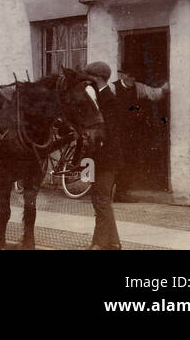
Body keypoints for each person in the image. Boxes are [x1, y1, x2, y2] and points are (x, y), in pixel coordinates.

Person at [110, 65, 169, 202]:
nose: (132, 78)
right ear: (122, 75)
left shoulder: (138, 87)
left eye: (134, 76)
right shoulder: (112, 88)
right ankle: (108, 191)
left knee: (129, 160)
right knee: (115, 162)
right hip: (116, 131)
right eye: (129, 75)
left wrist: (165, 88)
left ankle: (122, 193)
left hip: (131, 132)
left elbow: (154, 94)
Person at [84, 61, 125, 249]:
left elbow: (110, 133)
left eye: (89, 77)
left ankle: (98, 244)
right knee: (98, 200)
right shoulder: (93, 99)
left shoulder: (109, 100)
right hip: (91, 159)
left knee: (101, 201)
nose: (86, 81)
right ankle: (114, 243)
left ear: (98, 78)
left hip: (105, 160)